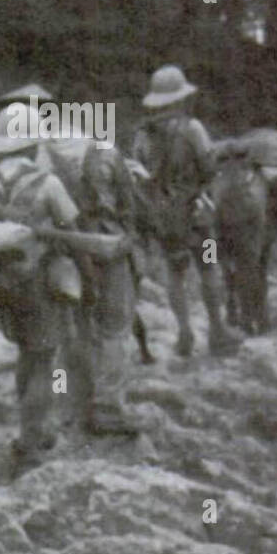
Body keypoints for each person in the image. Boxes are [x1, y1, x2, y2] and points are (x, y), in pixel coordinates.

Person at [0, 103, 83, 473]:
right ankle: (31, 440)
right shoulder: (48, 183)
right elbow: (72, 229)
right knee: (44, 360)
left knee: (25, 356)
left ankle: (34, 427)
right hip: (38, 285)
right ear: (33, 148)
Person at [36, 114, 141, 437]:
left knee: (73, 329)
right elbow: (128, 203)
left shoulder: (41, 154)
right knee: (114, 328)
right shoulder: (106, 150)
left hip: (62, 249)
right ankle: (108, 407)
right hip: (107, 247)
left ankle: (72, 407)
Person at [132, 65, 244, 357]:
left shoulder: (143, 135)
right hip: (198, 216)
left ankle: (184, 334)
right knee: (208, 268)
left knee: (175, 273)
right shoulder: (192, 128)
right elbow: (208, 167)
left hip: (166, 219)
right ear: (179, 98)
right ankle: (217, 330)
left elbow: (139, 173)